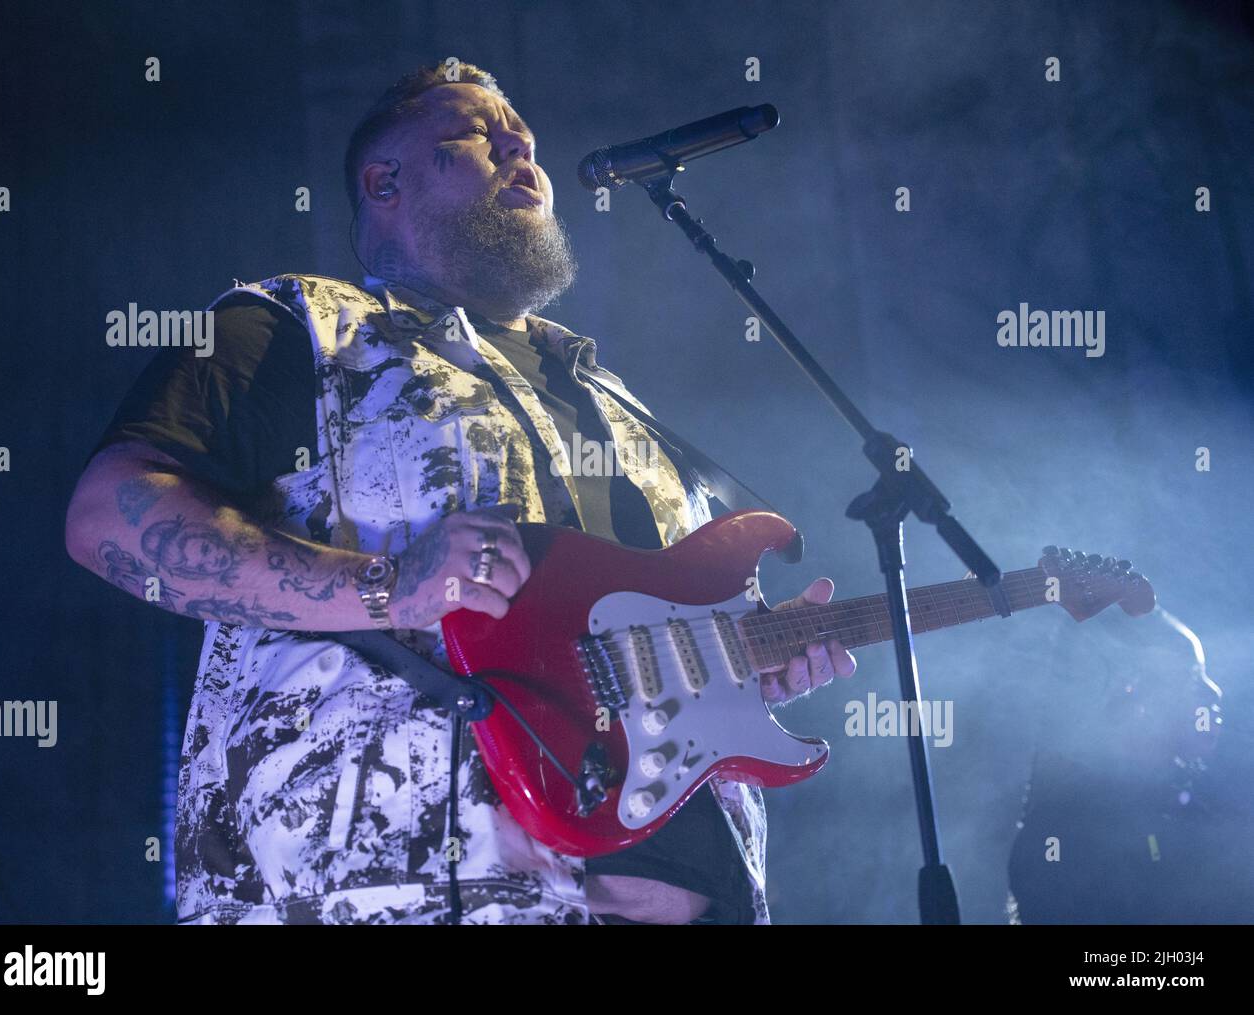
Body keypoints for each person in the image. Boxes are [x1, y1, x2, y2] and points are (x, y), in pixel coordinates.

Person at [64, 60, 856, 925]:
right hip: (395, 890)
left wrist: (738, 668)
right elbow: (109, 517)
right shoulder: (300, 330)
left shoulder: (620, 404)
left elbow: (620, 652)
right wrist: (388, 584)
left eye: (526, 135)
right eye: (480, 133)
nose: (522, 143)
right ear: (385, 179)